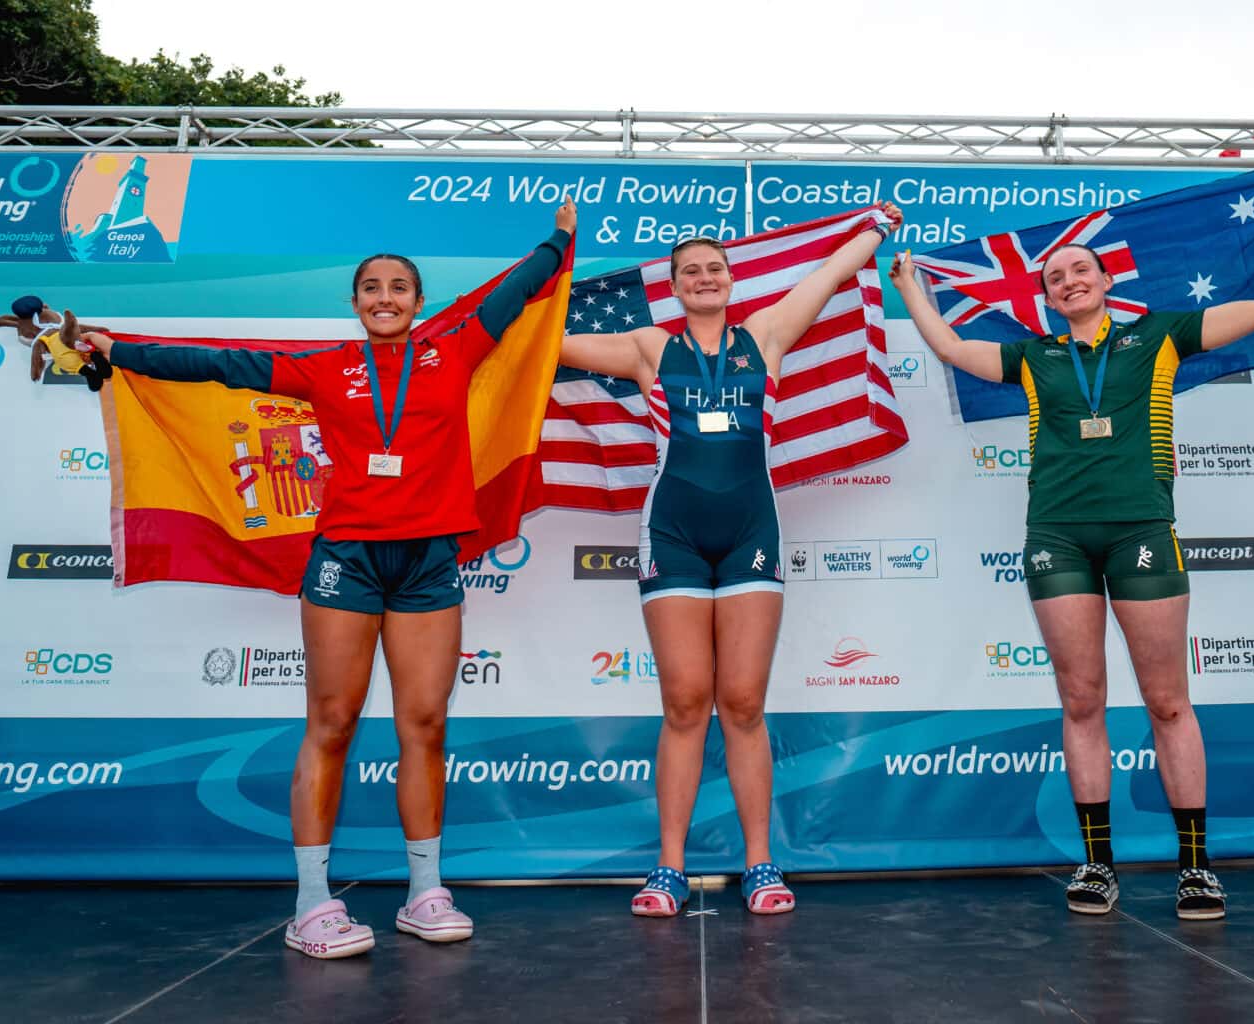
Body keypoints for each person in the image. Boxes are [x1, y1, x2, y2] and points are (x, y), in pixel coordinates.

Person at [88, 200, 577, 957]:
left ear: (419, 303)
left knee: (425, 726)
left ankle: (425, 892)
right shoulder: (322, 367)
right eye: (372, 288)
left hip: (428, 564)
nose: (385, 299)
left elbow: (516, 291)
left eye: (399, 288)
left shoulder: (456, 347)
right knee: (332, 725)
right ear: (354, 303)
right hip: (346, 562)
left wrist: (558, 240)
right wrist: (118, 349)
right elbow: (215, 363)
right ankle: (313, 905)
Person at [890, 202, 1254, 921]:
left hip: (1142, 529)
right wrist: (912, 292)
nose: (1069, 281)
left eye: (1081, 269)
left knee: (1168, 701)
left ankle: (1196, 867)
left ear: (1108, 280)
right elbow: (955, 351)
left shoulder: (1161, 335)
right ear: (1044, 296)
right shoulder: (1033, 355)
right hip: (1056, 537)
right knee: (1081, 702)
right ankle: (1097, 865)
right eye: (1056, 277)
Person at [559, 203, 902, 916]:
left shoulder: (767, 334)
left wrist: (876, 227)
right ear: (676, 287)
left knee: (742, 703)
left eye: (715, 268)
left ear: (731, 278)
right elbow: (546, 346)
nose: (705, 278)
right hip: (674, 532)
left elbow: (833, 271)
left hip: (752, 529)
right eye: (691, 271)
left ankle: (760, 864)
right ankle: (669, 870)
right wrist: (526, 283)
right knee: (686, 703)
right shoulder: (650, 346)